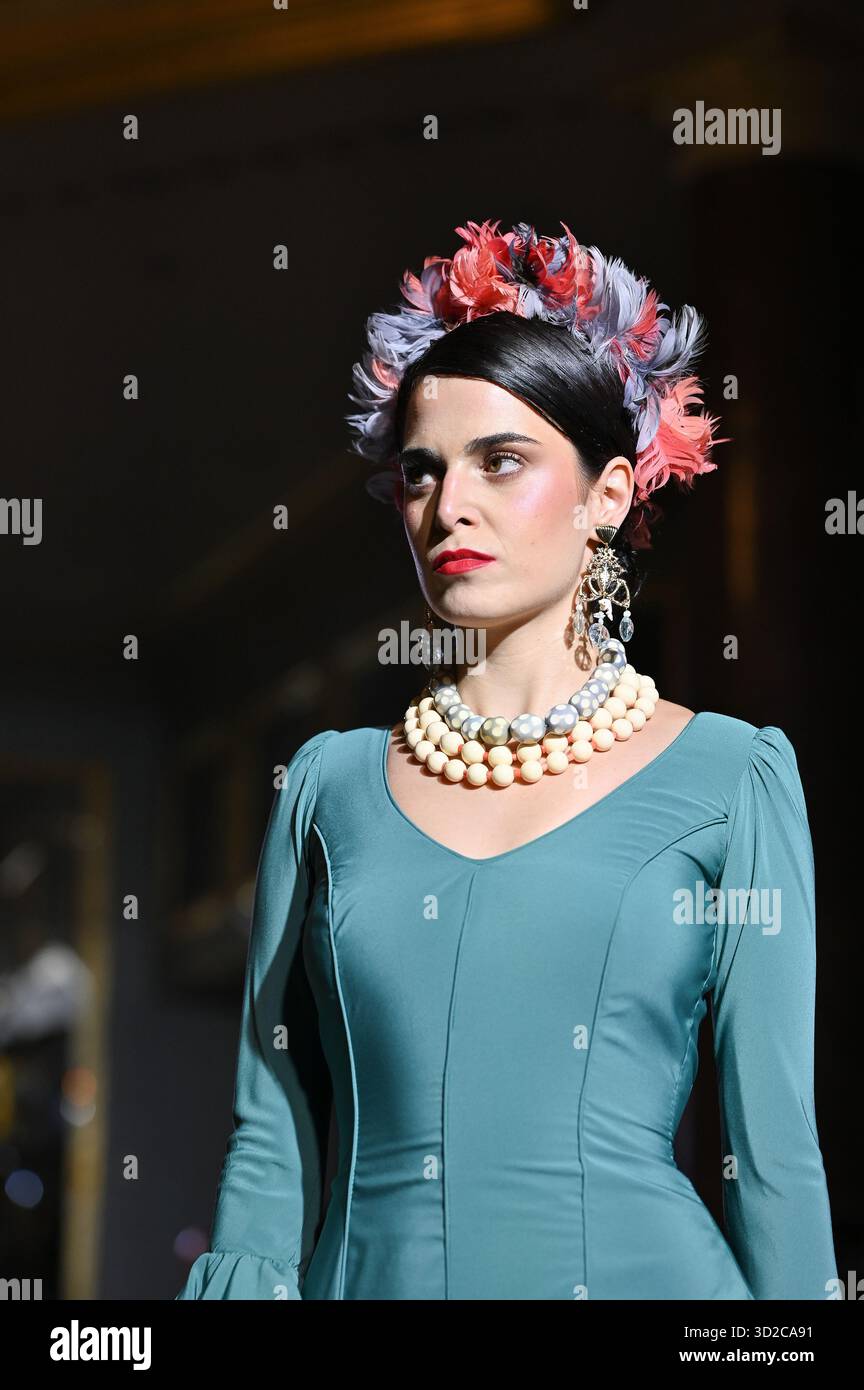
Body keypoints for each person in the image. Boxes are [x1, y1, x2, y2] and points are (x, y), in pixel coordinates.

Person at [175, 219, 837, 1300]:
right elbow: (273, 1119)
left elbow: (774, 1157)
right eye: (422, 472)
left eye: (504, 460)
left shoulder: (732, 778)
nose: (450, 506)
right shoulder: (329, 786)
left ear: (609, 496)